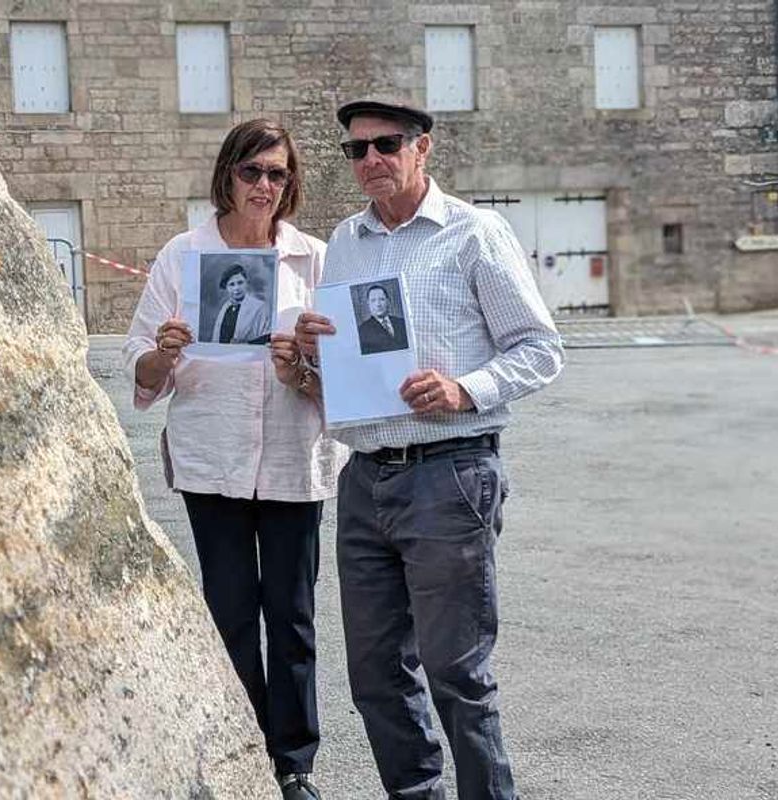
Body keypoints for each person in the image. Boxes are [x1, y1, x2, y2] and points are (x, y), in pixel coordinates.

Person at [293, 99, 564, 800]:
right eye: (357, 150)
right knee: (376, 675)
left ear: (423, 149)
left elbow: (540, 350)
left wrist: (463, 388)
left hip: (450, 473)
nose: (371, 160)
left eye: (386, 145)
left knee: (457, 672)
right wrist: (311, 348)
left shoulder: (475, 232)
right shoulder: (346, 242)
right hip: (365, 479)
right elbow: (352, 370)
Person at [123, 118, 346, 800]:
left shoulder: (316, 258)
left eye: (277, 174)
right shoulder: (181, 255)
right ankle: (241, 748)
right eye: (252, 171)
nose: (264, 186)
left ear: (291, 183)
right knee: (228, 610)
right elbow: (139, 367)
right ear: (228, 174)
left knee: (292, 613)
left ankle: (295, 763)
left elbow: (351, 375)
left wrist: (306, 362)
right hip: (211, 456)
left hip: (291, 457)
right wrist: (163, 352)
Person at [211, 263, 271, 344]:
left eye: (240, 283)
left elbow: (267, 338)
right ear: (226, 288)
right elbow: (216, 338)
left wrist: (245, 344)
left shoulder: (259, 307)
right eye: (231, 284)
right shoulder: (225, 307)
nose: (237, 288)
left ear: (246, 282)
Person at [356, 283, 408, 354]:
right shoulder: (362, 331)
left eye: (382, 299)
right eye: (373, 300)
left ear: (388, 301)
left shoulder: (402, 322)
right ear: (368, 304)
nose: (378, 304)